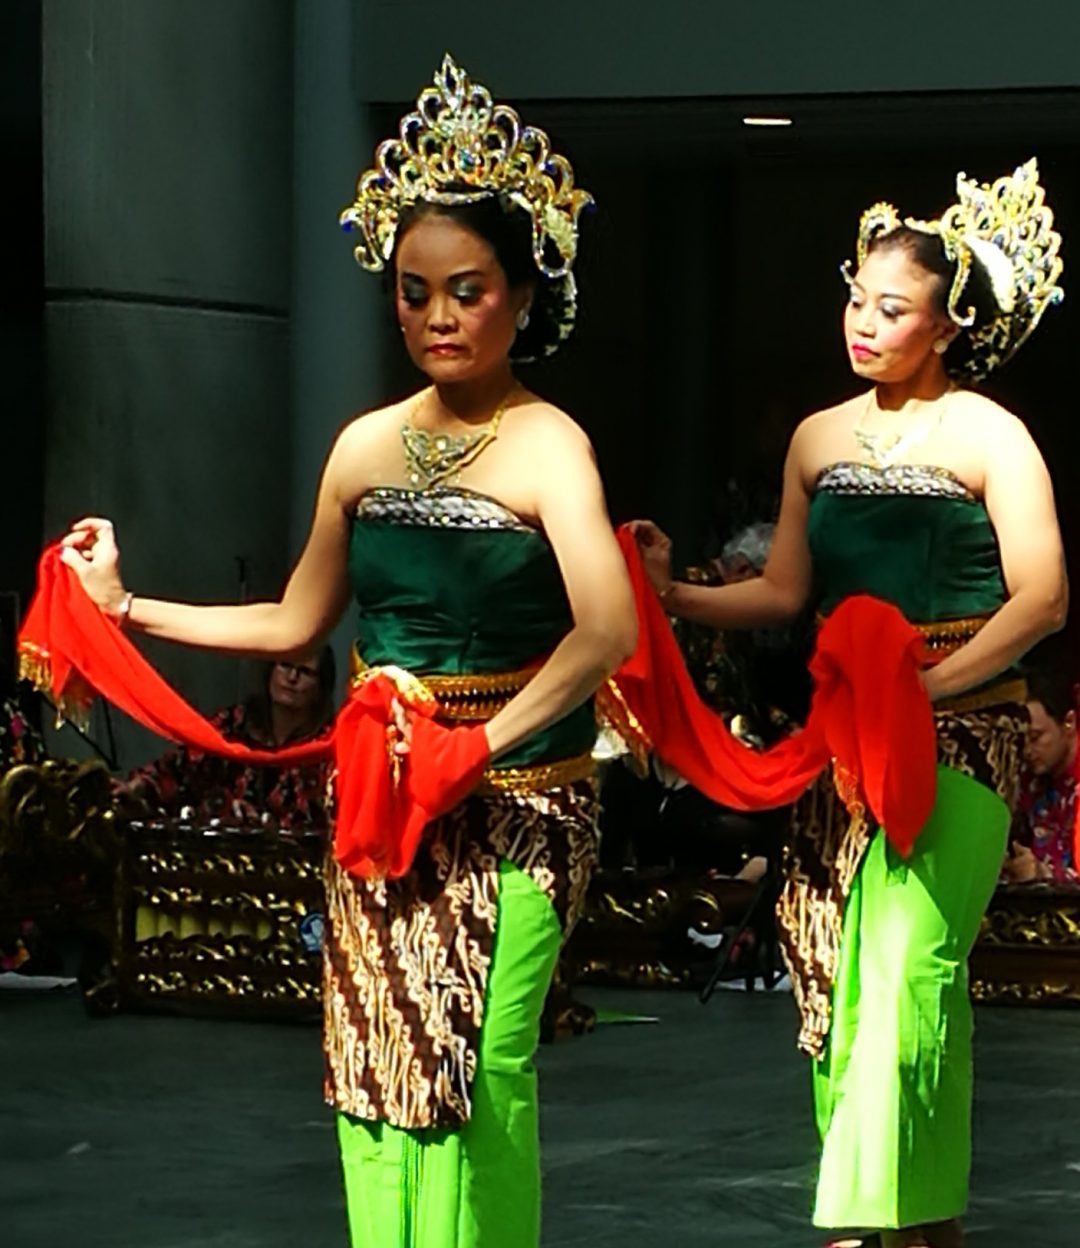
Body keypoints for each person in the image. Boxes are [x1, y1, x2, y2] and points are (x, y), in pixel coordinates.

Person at [53, 55, 635, 1248]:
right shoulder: (364, 447)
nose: (437, 316)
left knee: (480, 1055)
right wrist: (125, 609)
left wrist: (480, 747)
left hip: (525, 799)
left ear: (522, 298)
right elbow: (293, 622)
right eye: (414, 292)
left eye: (467, 291)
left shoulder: (549, 448)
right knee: (372, 1060)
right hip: (383, 801)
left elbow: (609, 632)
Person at [632, 159, 1066, 1248]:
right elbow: (785, 592)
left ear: (948, 323)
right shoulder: (818, 439)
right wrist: (670, 588)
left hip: (964, 735)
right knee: (842, 987)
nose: (863, 325)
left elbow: (1045, 597)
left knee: (910, 966)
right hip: (843, 739)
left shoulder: (990, 437)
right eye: (856, 301)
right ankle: (926, 1223)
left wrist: (929, 685)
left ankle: (854, 1229)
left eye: (893, 309)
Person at [123, 647, 336, 829]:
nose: (292, 678)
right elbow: (177, 767)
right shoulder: (233, 724)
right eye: (284, 666)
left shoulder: (326, 744)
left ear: (320, 689)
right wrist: (136, 788)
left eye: (305, 672)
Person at [1002, 667, 1079, 887]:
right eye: (1021, 739)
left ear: (1069, 723)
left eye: (1035, 737)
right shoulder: (1028, 776)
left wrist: (1041, 872)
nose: (1026, 749)